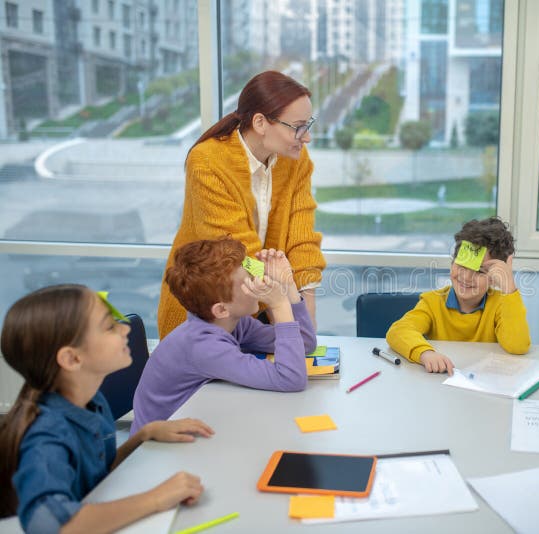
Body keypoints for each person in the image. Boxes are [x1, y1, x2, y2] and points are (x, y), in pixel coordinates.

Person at [0, 285, 212, 532]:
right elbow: (50, 525)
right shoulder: (47, 437)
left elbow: (97, 474)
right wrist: (155, 499)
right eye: (110, 326)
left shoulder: (92, 401)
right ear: (72, 359)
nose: (125, 328)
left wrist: (144, 434)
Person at [158, 70, 325, 338]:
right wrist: (287, 314)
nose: (306, 138)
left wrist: (307, 326)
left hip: (265, 313)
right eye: (298, 127)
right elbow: (240, 254)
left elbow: (302, 239)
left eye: (309, 125)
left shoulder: (295, 160)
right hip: (209, 317)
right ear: (260, 122)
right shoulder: (207, 162)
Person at [132, 237, 315, 432]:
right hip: (154, 450)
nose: (259, 280)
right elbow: (291, 379)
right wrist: (279, 305)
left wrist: (288, 286)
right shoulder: (205, 347)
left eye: (252, 271)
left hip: (195, 424)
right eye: (249, 281)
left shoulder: (230, 321)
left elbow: (304, 343)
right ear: (220, 310)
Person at [386, 217, 531, 374]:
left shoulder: (501, 304)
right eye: (462, 265)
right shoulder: (432, 302)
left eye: (480, 271)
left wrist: (509, 287)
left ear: (495, 278)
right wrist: (425, 353)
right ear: (452, 263)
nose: (467, 277)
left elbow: (518, 346)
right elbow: (398, 331)